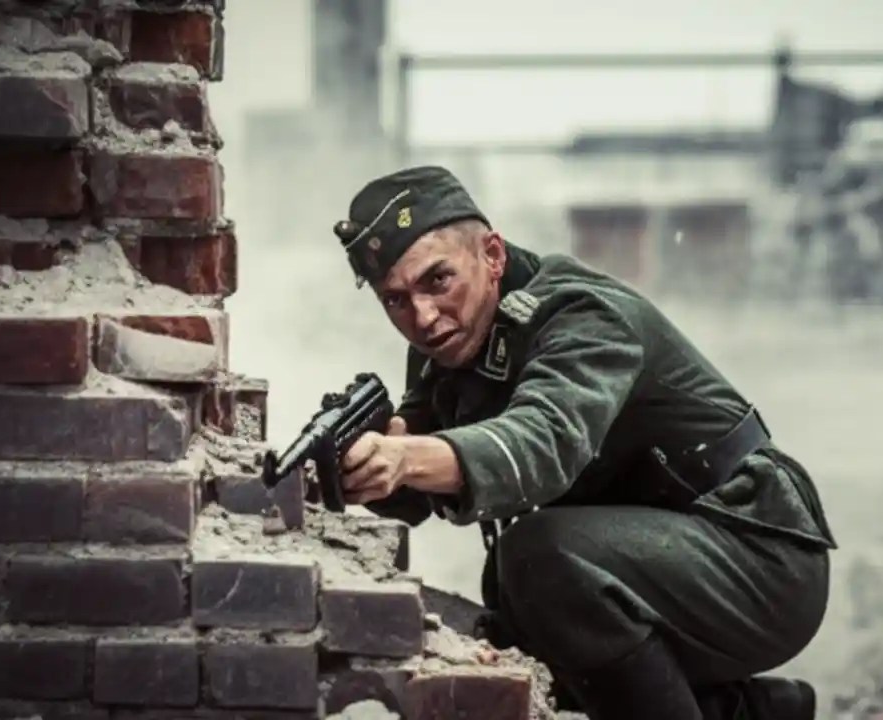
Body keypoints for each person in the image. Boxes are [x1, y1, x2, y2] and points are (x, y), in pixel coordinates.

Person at [331, 166, 838, 720]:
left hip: (758, 560)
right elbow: (412, 485)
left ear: (493, 255)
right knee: (511, 612)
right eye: (396, 301)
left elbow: (542, 443)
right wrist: (358, 462)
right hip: (658, 561)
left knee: (539, 559)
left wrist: (404, 456)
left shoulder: (581, 316)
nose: (423, 316)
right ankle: (748, 712)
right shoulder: (448, 344)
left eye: (438, 281)